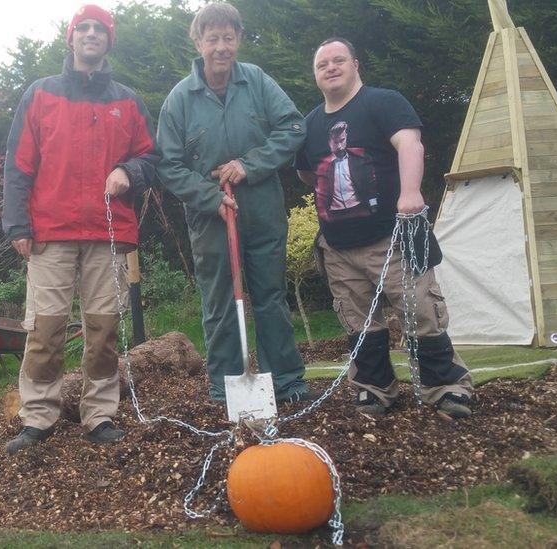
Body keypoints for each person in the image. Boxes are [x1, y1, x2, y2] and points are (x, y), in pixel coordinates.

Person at [1, 4, 158, 454]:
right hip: (49, 231)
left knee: (104, 328)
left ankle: (100, 415)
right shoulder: (41, 93)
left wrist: (129, 171)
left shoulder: (127, 100)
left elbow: (152, 157)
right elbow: (18, 164)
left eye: (99, 29)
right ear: (70, 39)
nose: (91, 34)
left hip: (108, 234)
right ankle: (38, 418)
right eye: (82, 28)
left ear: (109, 40)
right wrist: (16, 223)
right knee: (46, 329)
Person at [295, 37, 473, 419]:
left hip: (392, 237)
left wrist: (410, 192)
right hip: (338, 247)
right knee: (359, 324)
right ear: (315, 75)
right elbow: (308, 172)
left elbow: (410, 145)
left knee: (421, 313)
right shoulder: (308, 124)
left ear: (355, 64)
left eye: (338, 60)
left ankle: (446, 389)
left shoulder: (382, 101)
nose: (330, 67)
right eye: (322, 64)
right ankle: (374, 391)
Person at [156, 3, 313, 404]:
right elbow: (168, 166)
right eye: (213, 39)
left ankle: (288, 381)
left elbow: (294, 126)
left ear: (238, 40)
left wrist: (249, 164)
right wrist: (211, 197)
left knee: (270, 297)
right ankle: (225, 387)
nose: (221, 47)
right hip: (211, 218)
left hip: (262, 210)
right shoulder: (179, 99)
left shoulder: (258, 82)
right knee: (220, 303)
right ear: (198, 42)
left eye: (229, 38)